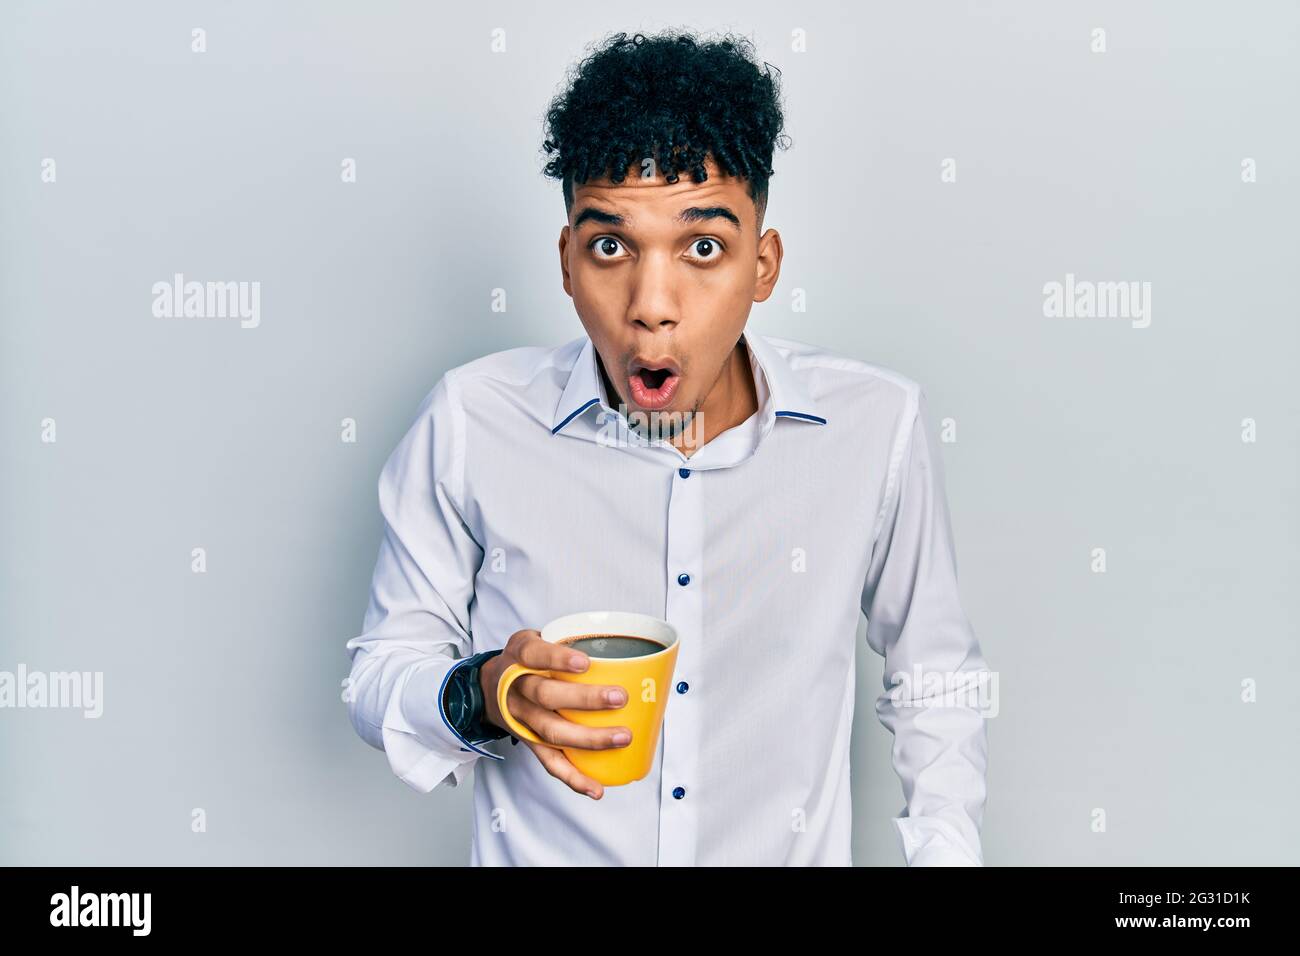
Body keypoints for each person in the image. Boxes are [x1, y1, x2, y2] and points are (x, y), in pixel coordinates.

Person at [344, 29, 992, 866]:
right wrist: (484, 692)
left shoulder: (877, 426)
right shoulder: (472, 420)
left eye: (703, 249)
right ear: (567, 264)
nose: (652, 305)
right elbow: (377, 675)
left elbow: (935, 678)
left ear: (764, 266)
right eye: (610, 246)